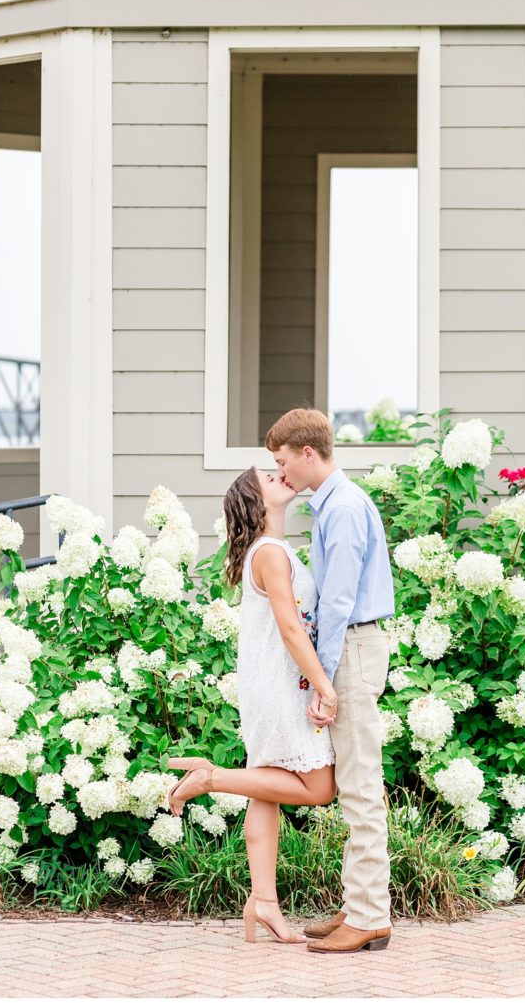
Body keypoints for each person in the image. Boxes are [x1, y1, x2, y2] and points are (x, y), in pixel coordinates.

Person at [166, 465, 338, 946]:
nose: (280, 474)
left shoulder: (270, 551)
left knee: (268, 788)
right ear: (254, 498)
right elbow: (290, 628)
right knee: (318, 787)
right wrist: (324, 686)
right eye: (268, 475)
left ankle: (263, 901)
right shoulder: (269, 553)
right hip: (283, 687)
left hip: (271, 684)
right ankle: (211, 778)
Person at [265, 407, 395, 954]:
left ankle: (369, 916)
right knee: (355, 784)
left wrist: (325, 679)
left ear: (308, 454)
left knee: (362, 787)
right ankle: (359, 905)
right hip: (354, 648)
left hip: (353, 650)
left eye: (282, 461)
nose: (281, 474)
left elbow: (339, 601)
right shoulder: (337, 504)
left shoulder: (341, 509)